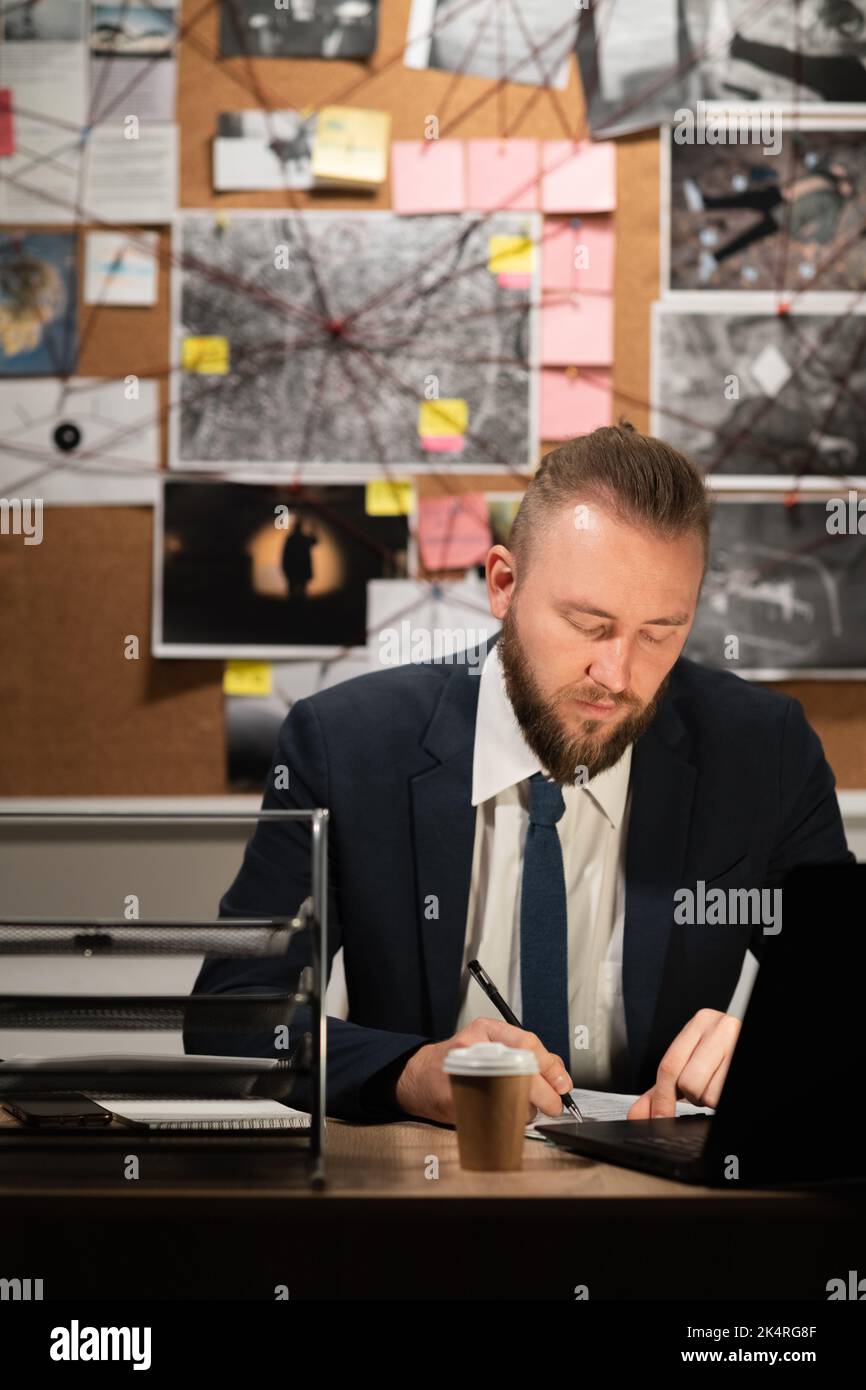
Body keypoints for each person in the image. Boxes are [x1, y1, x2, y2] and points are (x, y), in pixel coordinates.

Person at [185, 424, 855, 1124]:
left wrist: (778, 1048)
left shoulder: (764, 752)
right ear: (503, 584)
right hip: (425, 1190)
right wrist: (409, 1072)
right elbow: (232, 1018)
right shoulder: (346, 745)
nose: (616, 675)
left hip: (662, 1203)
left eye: (659, 632)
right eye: (588, 624)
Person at [682, 161, 854, 282]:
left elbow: (826, 230)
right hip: (781, 196)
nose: (846, 188)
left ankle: (713, 259)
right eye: (847, 183)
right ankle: (705, 204)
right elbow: (812, 172)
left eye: (849, 190)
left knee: (749, 236)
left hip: (787, 216)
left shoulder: (834, 202)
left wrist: (804, 237)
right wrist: (834, 170)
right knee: (744, 199)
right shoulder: (826, 177)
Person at [280, 516, 318, 598]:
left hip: (293, 570)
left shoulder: (291, 539)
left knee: (293, 590)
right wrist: (313, 529)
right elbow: (314, 541)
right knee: (300, 590)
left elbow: (285, 556)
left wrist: (285, 569)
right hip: (301, 570)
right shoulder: (302, 538)